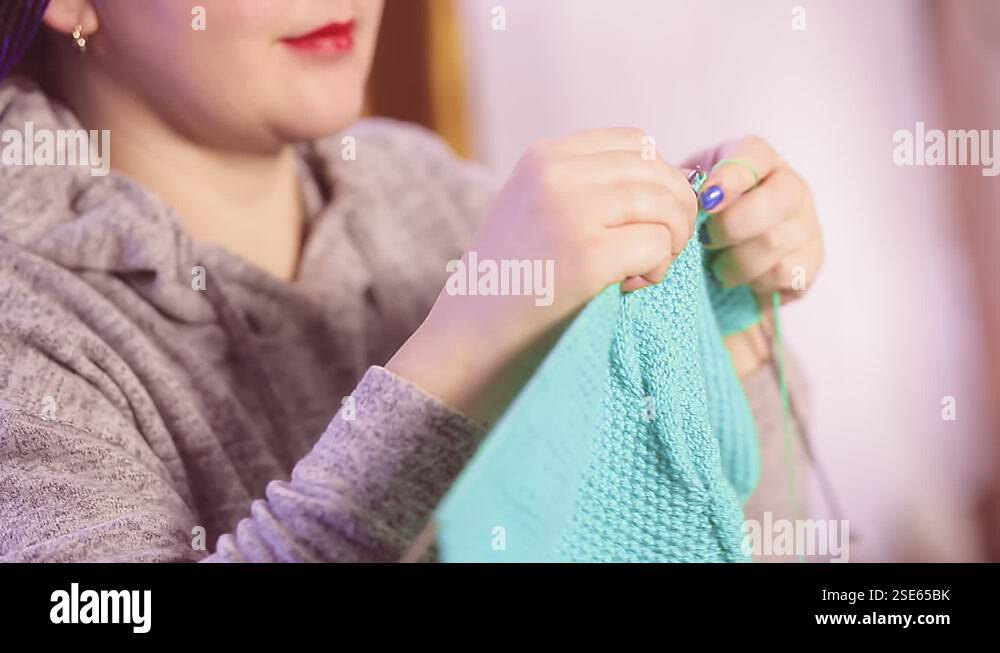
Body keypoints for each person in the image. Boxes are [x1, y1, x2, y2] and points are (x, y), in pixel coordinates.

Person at [0, 0, 823, 562]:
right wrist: (462, 356)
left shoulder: (429, 190)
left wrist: (710, 339)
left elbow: (749, 536)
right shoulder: (23, 321)